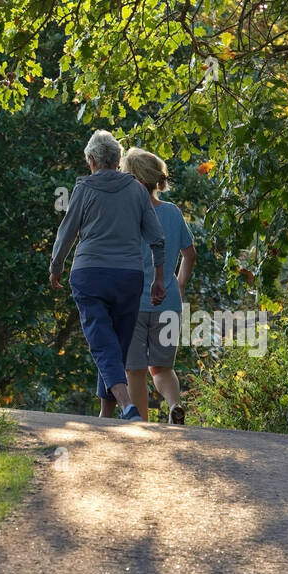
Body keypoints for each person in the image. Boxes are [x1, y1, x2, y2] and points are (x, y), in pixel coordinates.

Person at [51, 130, 165, 421]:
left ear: (91, 160)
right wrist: (159, 277)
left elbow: (67, 232)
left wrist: (56, 266)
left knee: (103, 341)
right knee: (115, 344)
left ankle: (127, 406)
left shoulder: (84, 189)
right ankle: (108, 414)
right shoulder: (138, 191)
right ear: (116, 161)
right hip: (128, 276)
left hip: (89, 274)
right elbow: (156, 238)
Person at [105, 147, 196, 424]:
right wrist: (178, 286)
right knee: (163, 368)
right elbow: (190, 255)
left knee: (135, 370)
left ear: (136, 181)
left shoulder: (126, 214)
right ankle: (173, 405)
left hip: (133, 305)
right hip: (168, 304)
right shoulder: (172, 212)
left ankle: (142, 427)